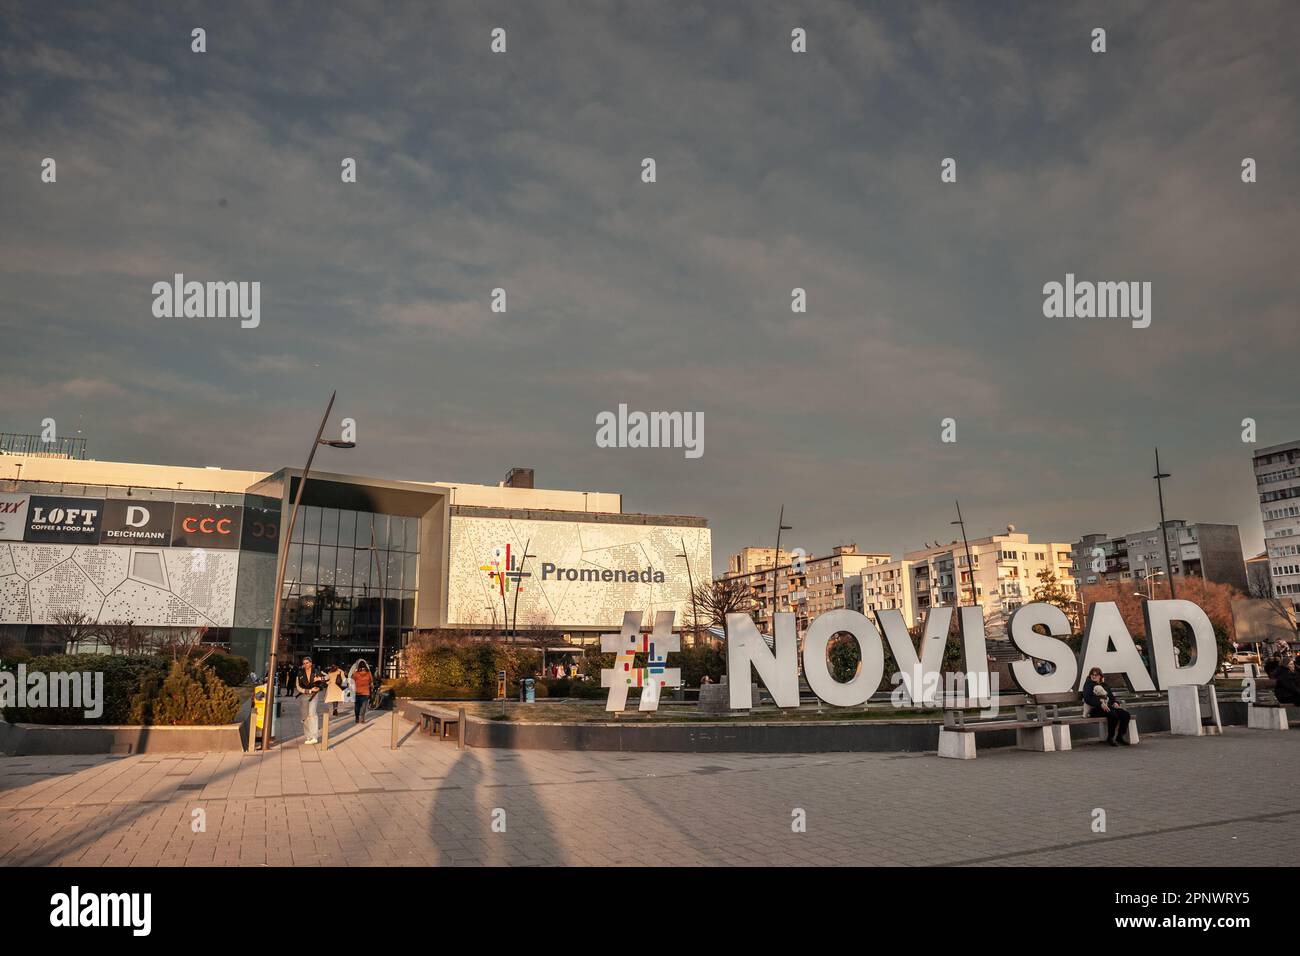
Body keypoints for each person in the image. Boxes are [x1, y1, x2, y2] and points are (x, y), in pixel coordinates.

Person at [1083, 666, 1131, 746]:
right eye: (1092, 675)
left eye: (1096, 675)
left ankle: (1120, 737)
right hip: (1095, 709)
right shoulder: (1088, 684)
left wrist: (1115, 703)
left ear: (1100, 676)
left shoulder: (1104, 685)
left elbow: (1111, 697)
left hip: (1108, 707)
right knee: (1113, 715)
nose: (1094, 676)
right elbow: (1088, 698)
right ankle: (1110, 737)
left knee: (1125, 715)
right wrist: (1100, 703)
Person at [296, 656, 324, 744]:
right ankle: (308, 736)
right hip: (304, 695)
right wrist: (308, 690)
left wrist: (320, 679)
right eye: (304, 663)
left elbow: (327, 678)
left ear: (311, 663)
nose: (305, 665)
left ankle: (314, 736)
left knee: (312, 714)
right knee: (305, 717)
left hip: (314, 695)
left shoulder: (316, 671)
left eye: (307, 663)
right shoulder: (300, 673)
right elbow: (298, 687)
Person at [350, 659, 373, 724]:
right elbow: (371, 681)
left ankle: (357, 717)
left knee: (357, 706)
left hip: (357, 692)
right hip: (366, 692)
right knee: (363, 706)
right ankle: (362, 718)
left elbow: (351, 680)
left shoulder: (356, 673)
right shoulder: (369, 673)